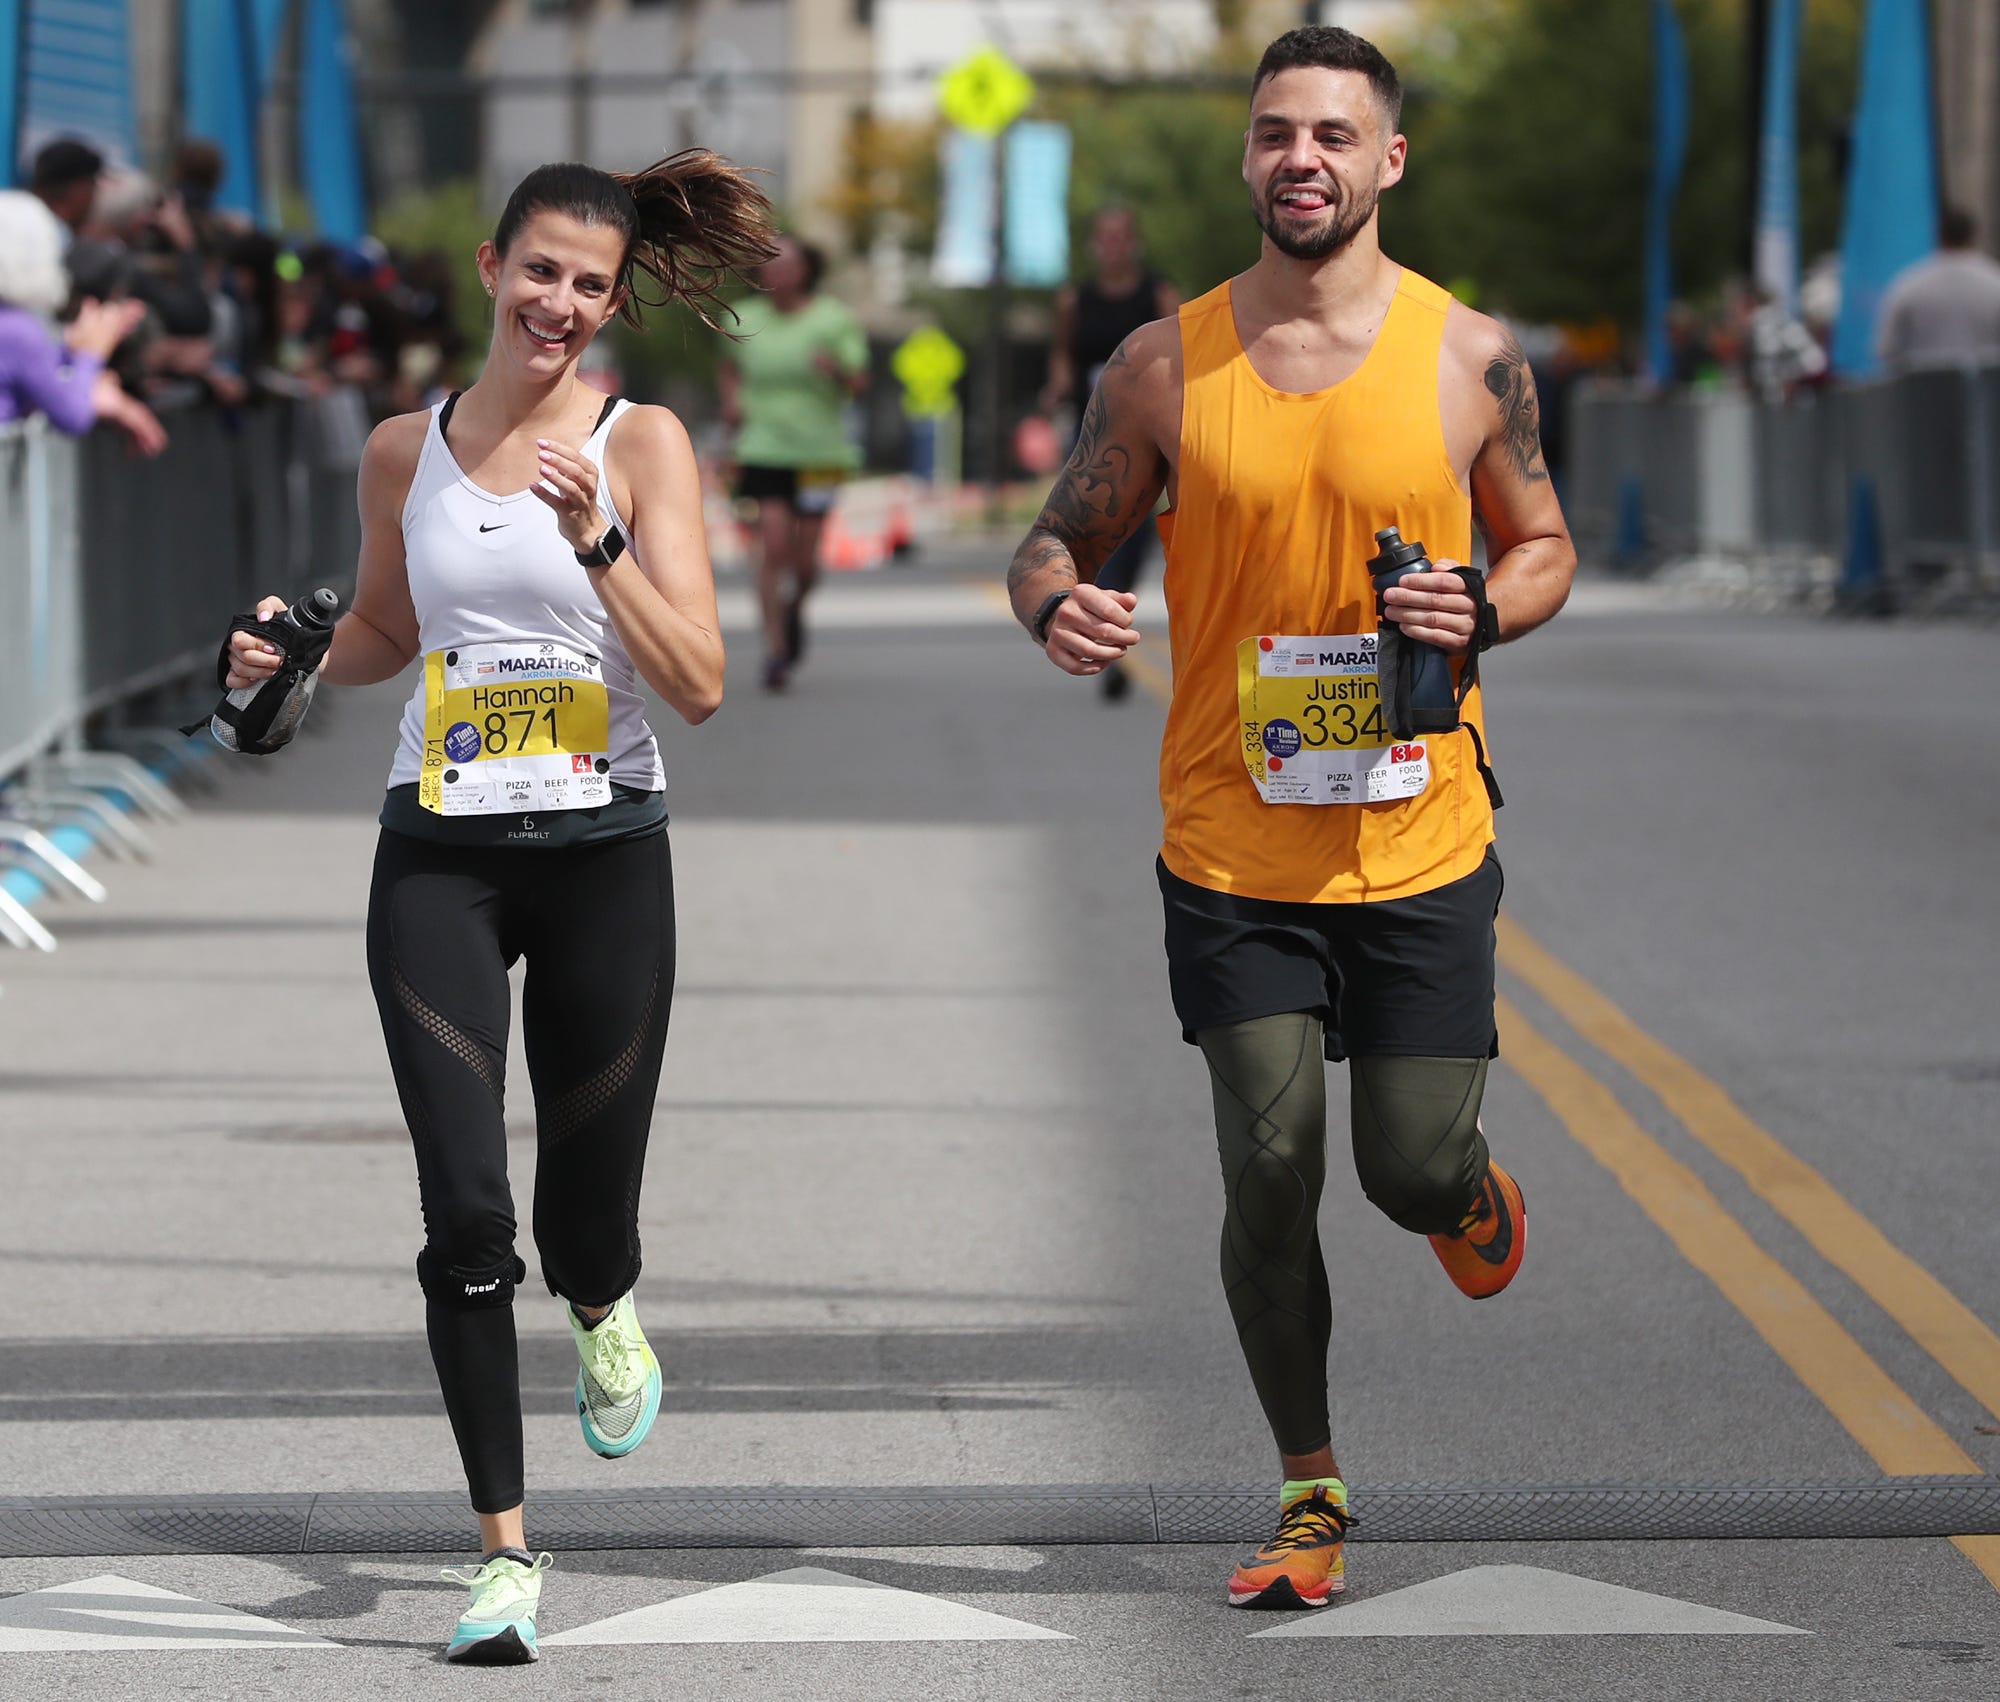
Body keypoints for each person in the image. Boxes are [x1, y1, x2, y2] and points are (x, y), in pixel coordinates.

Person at [1005, 25, 1576, 1611]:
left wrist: (1486, 608)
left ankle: (1467, 1190)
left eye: (1334, 133)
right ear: (1247, 156)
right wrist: (1055, 605)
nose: (1300, 158)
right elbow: (1053, 543)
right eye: (1274, 132)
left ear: (1389, 160)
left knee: (1402, 1166)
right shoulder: (1160, 365)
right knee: (1268, 1173)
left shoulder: (1474, 356)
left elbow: (1545, 546)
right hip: (1233, 841)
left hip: (1419, 833)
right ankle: (1311, 1490)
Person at [221, 151, 776, 1663]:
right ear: (489, 266)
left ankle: (604, 1298)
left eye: (591, 285)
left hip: (605, 853)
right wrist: (285, 658)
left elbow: (705, 686)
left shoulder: (642, 443)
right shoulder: (405, 449)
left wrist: (599, 540)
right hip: (443, 850)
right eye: (541, 271)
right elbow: (389, 634)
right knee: (464, 1211)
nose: (562, 304)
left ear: (611, 301)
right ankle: (505, 1552)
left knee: (577, 1217)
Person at [1040, 207, 1180, 700]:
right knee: (1093, 523)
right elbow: (1063, 352)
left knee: (1134, 527)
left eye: (1122, 237)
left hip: (1145, 429)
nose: (1114, 246)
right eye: (1105, 238)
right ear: (1095, 246)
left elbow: (1184, 349)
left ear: (1134, 244)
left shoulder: (1157, 294)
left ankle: (1109, 610)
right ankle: (1104, 617)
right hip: (1092, 431)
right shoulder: (1075, 300)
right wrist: (1056, 385)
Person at [717, 235, 868, 691]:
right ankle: (776, 649)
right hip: (761, 447)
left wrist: (836, 371)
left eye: (787, 266)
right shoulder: (741, 318)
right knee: (773, 546)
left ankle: (794, 606)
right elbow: (729, 367)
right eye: (770, 265)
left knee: (806, 561)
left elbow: (859, 383)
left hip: (819, 453)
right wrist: (731, 402)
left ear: (805, 271)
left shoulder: (832, 319)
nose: (777, 274)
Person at [0, 192, 165, 453]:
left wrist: (71, 349)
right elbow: (72, 416)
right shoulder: (17, 330)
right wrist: (90, 355)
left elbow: (29, 381)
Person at [1876, 207, 2000, 374]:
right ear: (1973, 235)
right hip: (1988, 391)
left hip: (1925, 390)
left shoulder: (1909, 284)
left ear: (1939, 235)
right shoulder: (1994, 281)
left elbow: (1886, 349)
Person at [29, 136, 103, 241]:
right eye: (92, 183)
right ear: (77, 188)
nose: (95, 192)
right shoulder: (60, 242)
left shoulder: (16, 226)